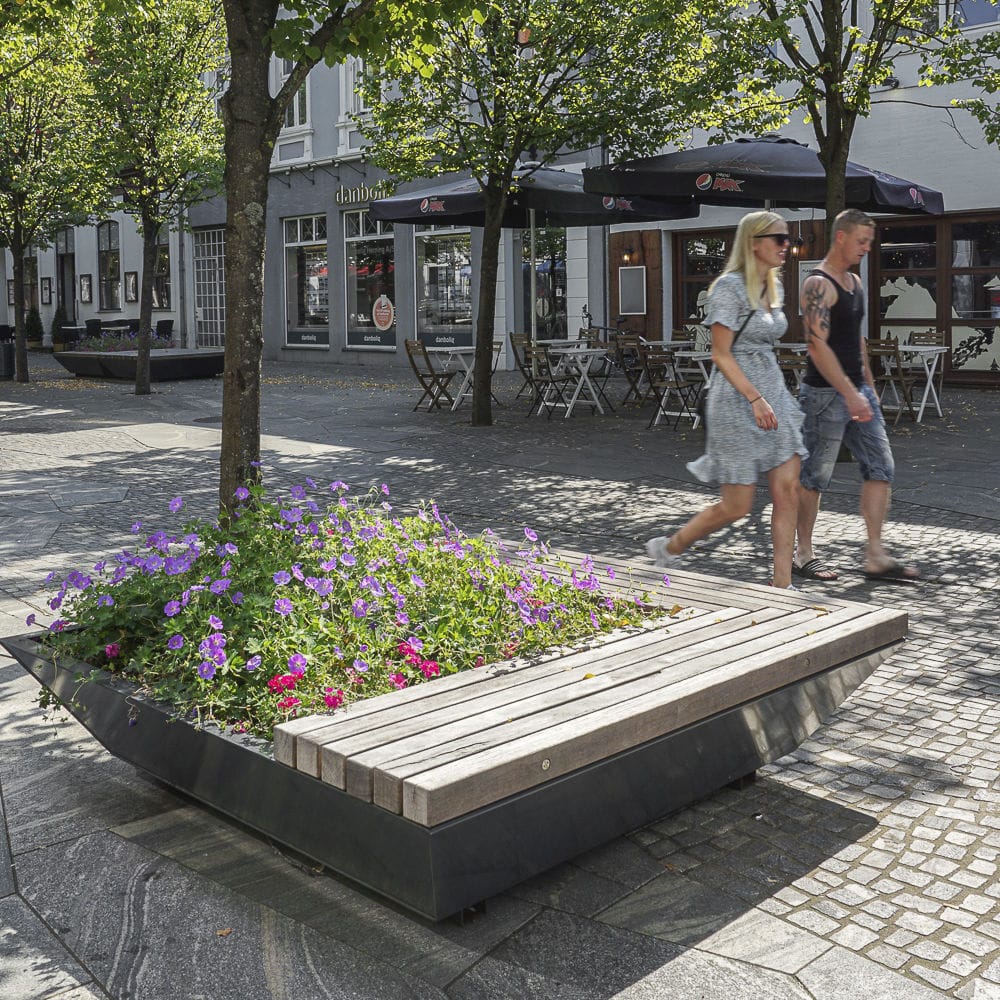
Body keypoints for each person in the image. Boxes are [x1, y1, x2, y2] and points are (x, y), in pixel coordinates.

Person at [646, 211, 806, 589]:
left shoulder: (775, 287)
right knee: (737, 506)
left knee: (788, 490)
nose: (787, 245)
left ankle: (781, 586)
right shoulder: (728, 288)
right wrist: (755, 398)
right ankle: (670, 546)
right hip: (737, 399)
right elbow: (720, 354)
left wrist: (770, 397)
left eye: (788, 238)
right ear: (753, 242)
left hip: (774, 394)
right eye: (778, 238)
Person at [793, 208, 919, 582]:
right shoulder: (818, 284)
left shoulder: (855, 283)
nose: (867, 248)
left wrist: (868, 386)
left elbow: (856, 340)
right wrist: (850, 393)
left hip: (857, 391)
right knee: (814, 476)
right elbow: (817, 346)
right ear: (842, 237)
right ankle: (803, 554)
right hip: (824, 395)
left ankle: (875, 554)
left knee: (882, 467)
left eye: (870, 242)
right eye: (862, 241)